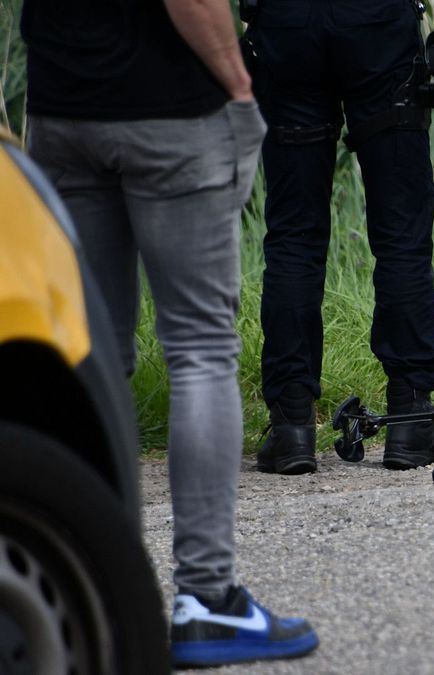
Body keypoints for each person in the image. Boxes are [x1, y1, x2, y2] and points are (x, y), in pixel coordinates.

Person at [21, 0, 318, 667]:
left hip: (62, 106)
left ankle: (87, 580)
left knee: (88, 359)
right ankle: (206, 598)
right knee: (202, 351)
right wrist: (238, 85)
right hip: (173, 112)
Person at [246, 0, 434, 474]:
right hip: (376, 23)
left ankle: (291, 427)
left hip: (288, 27)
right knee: (401, 231)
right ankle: (410, 418)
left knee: (294, 235)